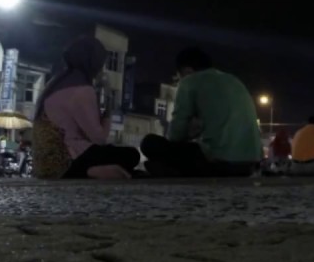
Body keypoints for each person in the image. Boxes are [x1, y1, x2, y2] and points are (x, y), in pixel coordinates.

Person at [141, 47, 262, 177]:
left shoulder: (189, 82)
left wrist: (188, 133)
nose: (179, 81)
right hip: (249, 165)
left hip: (218, 163)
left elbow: (175, 135)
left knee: (150, 143)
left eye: (179, 77)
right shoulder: (234, 81)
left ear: (187, 71)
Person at [33, 36, 140, 179]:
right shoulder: (82, 89)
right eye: (101, 63)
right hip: (67, 162)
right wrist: (108, 105)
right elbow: (99, 138)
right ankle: (89, 171)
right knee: (131, 155)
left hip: (44, 165)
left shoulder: (56, 83)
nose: (101, 68)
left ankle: (101, 170)